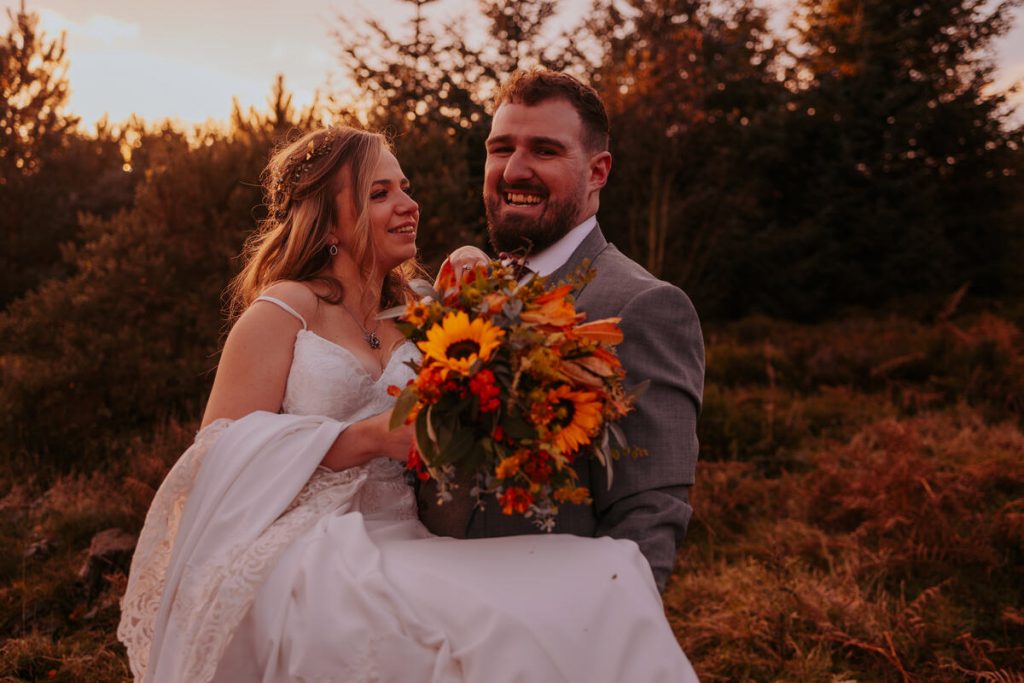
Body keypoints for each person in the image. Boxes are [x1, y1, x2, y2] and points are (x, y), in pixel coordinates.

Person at [117, 125, 699, 682]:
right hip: (310, 549)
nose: (407, 203)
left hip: (409, 537)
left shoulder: (415, 318)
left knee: (584, 585)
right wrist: (367, 437)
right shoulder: (284, 309)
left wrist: (474, 268)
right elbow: (217, 457)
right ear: (328, 224)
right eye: (380, 193)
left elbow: (472, 352)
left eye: (405, 187)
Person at [420, 69, 705, 594]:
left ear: (598, 172)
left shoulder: (642, 306)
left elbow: (649, 520)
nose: (515, 170)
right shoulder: (465, 296)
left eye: (545, 151)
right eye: (500, 148)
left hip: (544, 626)